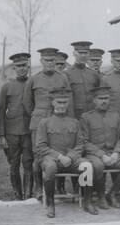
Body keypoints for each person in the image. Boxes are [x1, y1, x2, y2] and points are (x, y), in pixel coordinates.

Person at [23, 48, 71, 197]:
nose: (50, 63)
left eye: (53, 60)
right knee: (38, 155)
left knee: (61, 152)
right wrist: (38, 113)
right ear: (41, 61)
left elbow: (68, 98)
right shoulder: (34, 79)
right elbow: (27, 102)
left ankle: (60, 187)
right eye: (47, 60)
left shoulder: (62, 78)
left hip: (59, 120)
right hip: (39, 122)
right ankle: (39, 189)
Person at [80, 84, 120, 211]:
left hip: (113, 152)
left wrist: (116, 152)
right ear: (94, 100)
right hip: (94, 154)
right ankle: (101, 196)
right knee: (98, 165)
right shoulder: (86, 117)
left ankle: (112, 193)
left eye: (106, 98)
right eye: (100, 99)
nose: (104, 101)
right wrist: (101, 155)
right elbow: (85, 141)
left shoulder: (116, 116)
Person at [34, 88, 84, 218]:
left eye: (64, 102)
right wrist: (60, 157)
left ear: (68, 104)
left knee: (87, 167)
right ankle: (51, 204)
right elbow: (40, 146)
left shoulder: (74, 122)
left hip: (71, 159)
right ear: (53, 103)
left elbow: (80, 145)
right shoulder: (44, 123)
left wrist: (70, 157)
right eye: (59, 102)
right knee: (50, 168)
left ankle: (86, 199)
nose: (62, 105)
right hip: (51, 159)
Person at [0, 51, 33, 200]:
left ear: (28, 67)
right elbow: (0, 111)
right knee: (14, 165)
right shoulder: (7, 87)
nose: (22, 68)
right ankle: (18, 195)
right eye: (18, 66)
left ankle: (28, 195)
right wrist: (2, 136)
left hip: (29, 132)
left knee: (28, 164)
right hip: (11, 134)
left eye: (24, 65)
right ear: (14, 68)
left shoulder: (33, 83)